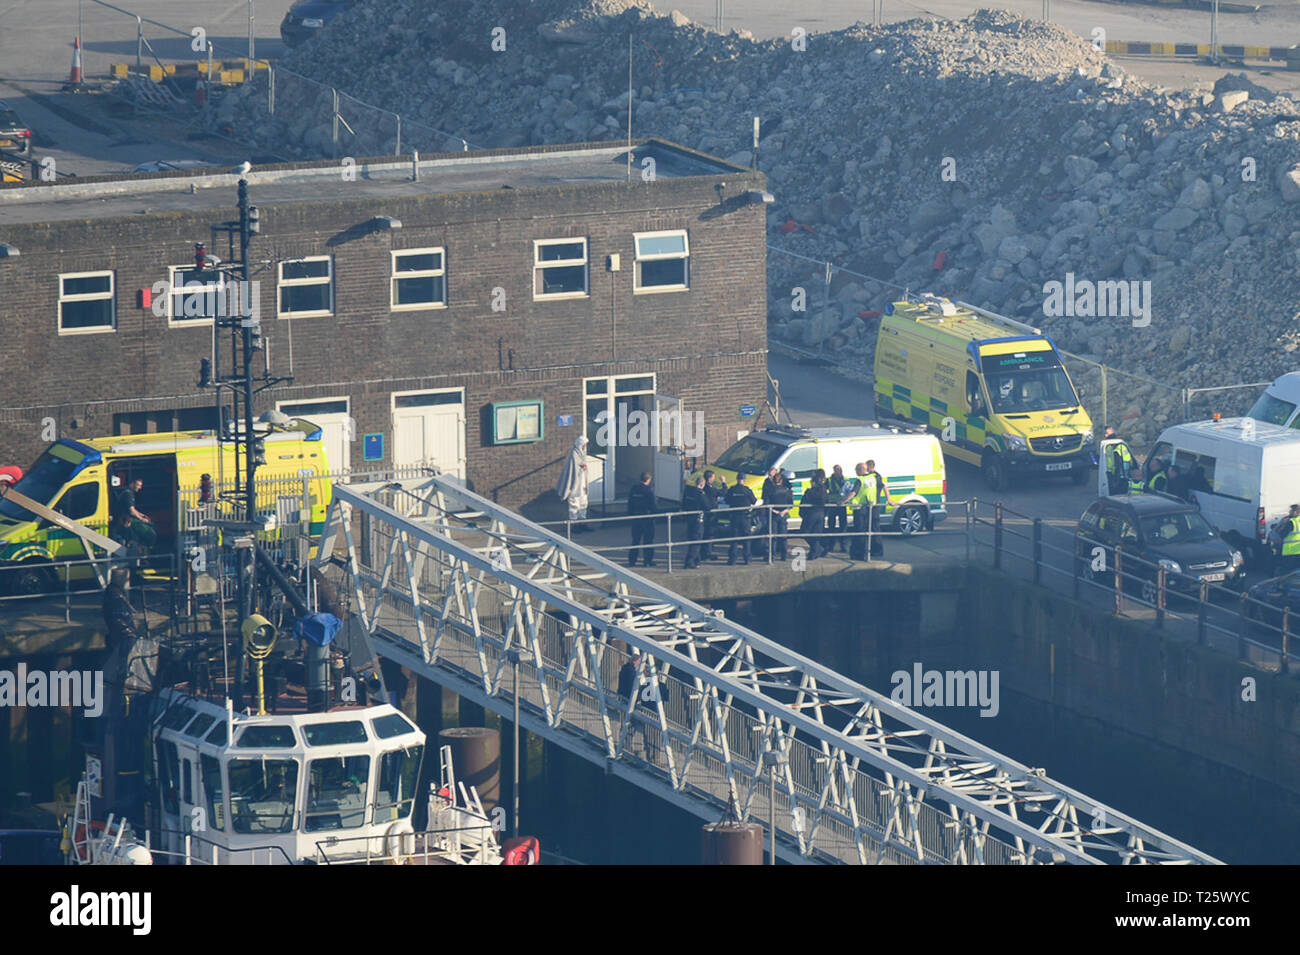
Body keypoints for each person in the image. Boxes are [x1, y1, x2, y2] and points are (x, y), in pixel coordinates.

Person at [555, 435, 590, 532]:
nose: (585, 447)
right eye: (584, 445)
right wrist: (581, 467)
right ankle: (574, 525)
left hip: (582, 483)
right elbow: (572, 469)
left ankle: (582, 522)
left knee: (583, 503)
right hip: (575, 485)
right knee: (574, 504)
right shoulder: (574, 454)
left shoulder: (582, 454)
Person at [110, 478, 151, 550]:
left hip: (123, 521)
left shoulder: (128, 493)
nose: (140, 488)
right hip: (121, 523)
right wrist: (141, 519)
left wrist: (142, 515)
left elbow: (133, 509)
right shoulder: (128, 494)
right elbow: (131, 511)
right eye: (138, 485)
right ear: (132, 484)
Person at [725, 471, 757, 566]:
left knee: (734, 539)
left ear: (737, 479)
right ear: (744, 480)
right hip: (745, 517)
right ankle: (747, 559)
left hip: (734, 517)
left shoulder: (732, 489)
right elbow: (754, 501)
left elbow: (727, 500)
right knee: (746, 539)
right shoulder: (747, 490)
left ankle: (732, 560)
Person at [626, 472, 656, 567]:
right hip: (647, 518)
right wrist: (655, 515)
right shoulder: (648, 490)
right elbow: (653, 505)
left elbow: (630, 502)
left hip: (636, 517)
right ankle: (647, 561)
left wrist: (630, 514)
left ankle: (632, 560)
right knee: (648, 540)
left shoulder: (634, 489)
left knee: (635, 540)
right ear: (648, 480)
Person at [763, 468, 794, 560]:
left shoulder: (770, 491)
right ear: (781, 481)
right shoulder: (786, 491)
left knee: (772, 537)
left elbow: (767, 504)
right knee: (783, 536)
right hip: (783, 516)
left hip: (773, 516)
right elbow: (790, 505)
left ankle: (771, 556)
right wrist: (783, 512)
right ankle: (784, 556)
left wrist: (775, 511)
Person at [681, 474, 710, 569]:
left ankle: (697, 560)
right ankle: (689, 562)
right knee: (696, 541)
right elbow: (707, 507)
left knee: (692, 539)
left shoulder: (689, 492)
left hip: (689, 519)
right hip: (698, 520)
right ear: (702, 484)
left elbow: (683, 504)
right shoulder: (700, 494)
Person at [800, 469, 829, 559]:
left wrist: (807, 493)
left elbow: (807, 500)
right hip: (821, 513)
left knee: (805, 532)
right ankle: (815, 552)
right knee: (816, 534)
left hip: (812, 513)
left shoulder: (812, 491)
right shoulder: (824, 489)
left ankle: (817, 549)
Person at [863, 459, 889, 559]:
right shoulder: (871, 476)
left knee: (875, 527)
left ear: (870, 467)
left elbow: (884, 487)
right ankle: (872, 549)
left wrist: (888, 499)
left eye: (866, 468)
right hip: (870, 505)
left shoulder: (876, 476)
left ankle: (877, 550)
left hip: (874, 506)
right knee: (870, 527)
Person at [1103, 428, 1138, 496]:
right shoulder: (1118, 445)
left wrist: (1116, 477)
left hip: (1117, 474)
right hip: (1123, 472)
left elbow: (1117, 463)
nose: (1105, 435)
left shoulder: (1115, 446)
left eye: (1107, 433)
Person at [702, 470, 724, 561]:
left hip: (705, 514)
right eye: (713, 477)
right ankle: (707, 553)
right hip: (711, 515)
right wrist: (723, 482)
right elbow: (723, 492)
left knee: (705, 534)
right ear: (710, 478)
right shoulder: (711, 489)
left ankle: (704, 552)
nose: (714, 479)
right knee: (710, 534)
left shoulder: (703, 488)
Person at [827, 464, 848, 552]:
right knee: (831, 526)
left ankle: (843, 546)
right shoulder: (829, 480)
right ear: (834, 471)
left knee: (843, 526)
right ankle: (831, 545)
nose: (839, 471)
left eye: (840, 469)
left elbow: (849, 489)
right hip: (832, 505)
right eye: (837, 470)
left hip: (842, 505)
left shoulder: (846, 479)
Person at [1275, 504, 1300, 574]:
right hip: (1298, 551)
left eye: (1291, 510)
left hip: (1290, 552)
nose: (1290, 512)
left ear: (1296, 512)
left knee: (1288, 573)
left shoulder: (1292, 522)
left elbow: (1282, 534)